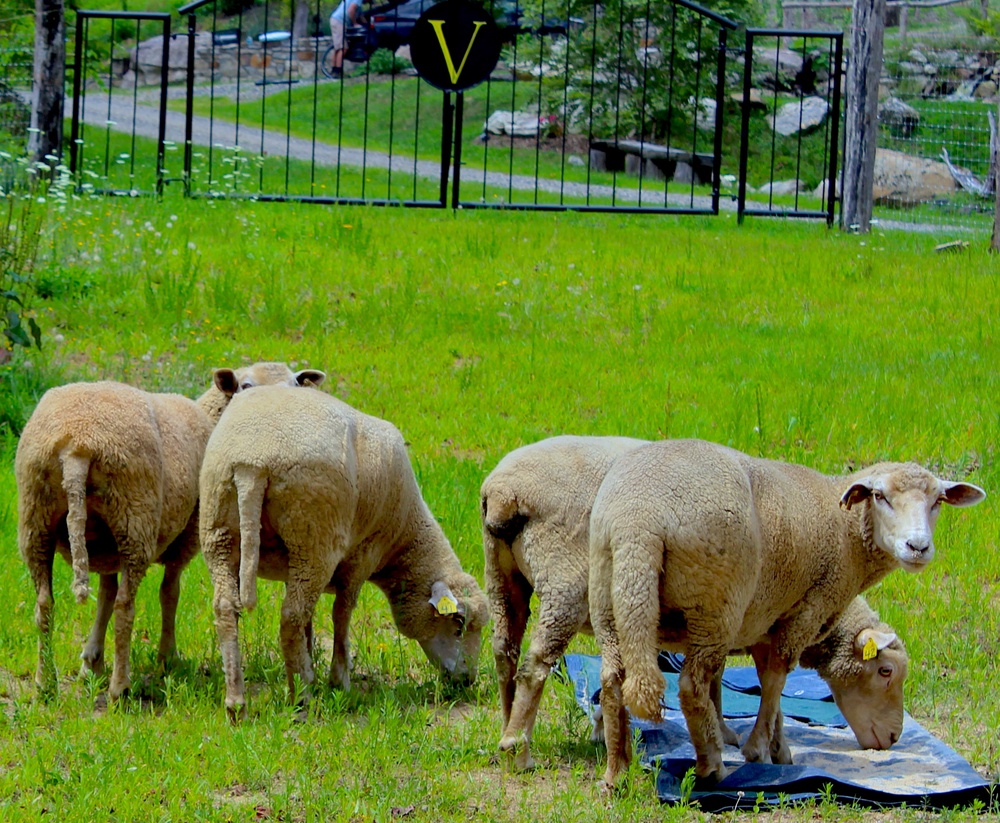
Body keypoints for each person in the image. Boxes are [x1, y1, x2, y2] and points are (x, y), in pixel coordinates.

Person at [328, 0, 364, 77]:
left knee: (337, 47)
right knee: (343, 48)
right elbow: (351, 10)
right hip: (340, 21)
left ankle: (334, 71)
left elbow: (360, 15)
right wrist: (354, 24)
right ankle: (337, 71)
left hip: (335, 19)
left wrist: (366, 23)